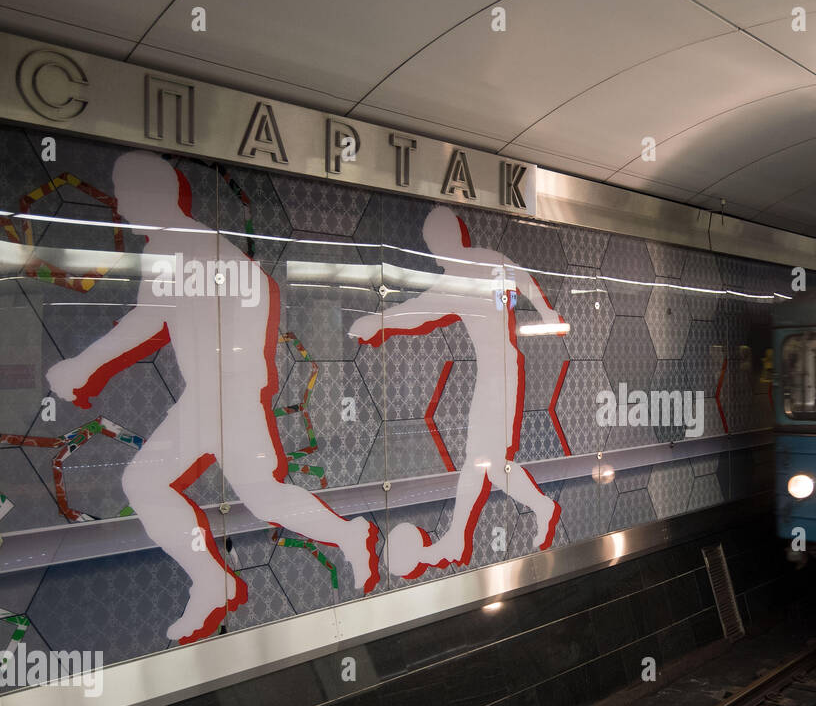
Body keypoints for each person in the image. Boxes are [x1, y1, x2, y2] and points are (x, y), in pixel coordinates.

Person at [46, 151, 379, 644]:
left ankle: (232, 573)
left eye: (127, 196)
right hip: (219, 397)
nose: (123, 208)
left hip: (222, 397)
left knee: (194, 489)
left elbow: (144, 321)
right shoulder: (210, 247)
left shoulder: (179, 249)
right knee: (187, 487)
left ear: (146, 195)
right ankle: (230, 574)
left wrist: (81, 368)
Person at [349, 205, 564, 578]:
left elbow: (419, 311)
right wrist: (546, 312)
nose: (435, 254)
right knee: (486, 463)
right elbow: (522, 280)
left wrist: (378, 321)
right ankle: (464, 535)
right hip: (498, 372)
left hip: (501, 375)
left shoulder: (462, 274)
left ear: (448, 239)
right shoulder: (484, 262)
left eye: (434, 246)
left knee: (486, 462)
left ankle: (476, 531)